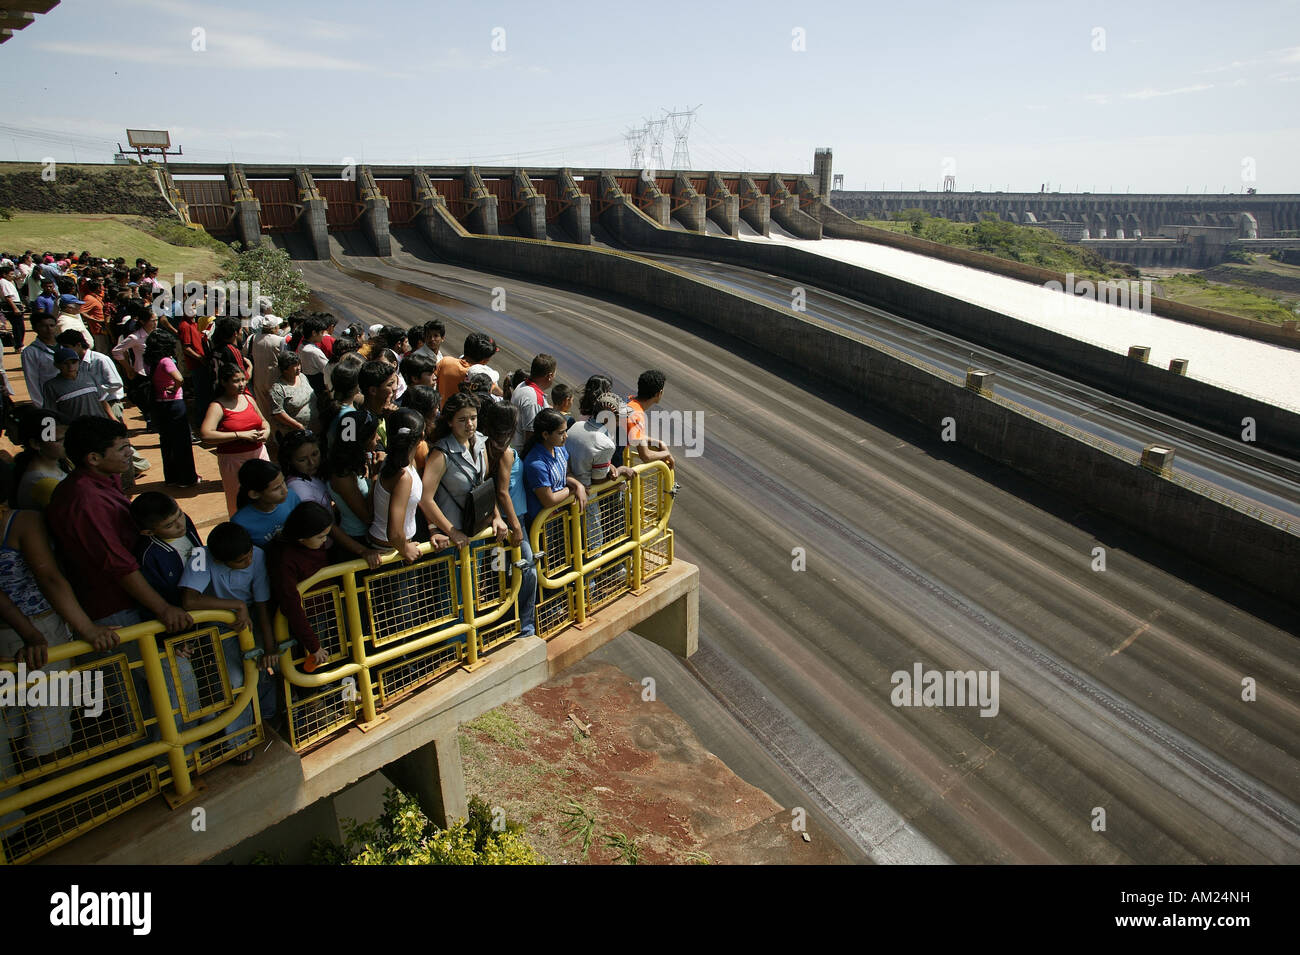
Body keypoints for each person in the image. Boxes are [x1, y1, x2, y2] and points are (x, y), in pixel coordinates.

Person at [0, 485, 120, 781]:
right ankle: (63, 797)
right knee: (47, 718)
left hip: (11, 634)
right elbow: (50, 578)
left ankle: (28, 799)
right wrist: (86, 629)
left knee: (14, 719)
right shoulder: (22, 522)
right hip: (37, 629)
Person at [46, 416, 193, 632]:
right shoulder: (85, 501)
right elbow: (118, 564)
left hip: (136, 600)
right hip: (118, 611)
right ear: (94, 458)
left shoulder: (105, 478)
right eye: (123, 448)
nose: (130, 452)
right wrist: (163, 608)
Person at [178, 521, 274, 762]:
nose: (248, 562)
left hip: (250, 619)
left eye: (249, 555)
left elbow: (261, 603)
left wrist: (269, 645)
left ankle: (266, 719)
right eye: (241, 561)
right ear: (220, 560)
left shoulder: (258, 555)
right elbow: (190, 600)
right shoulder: (201, 556)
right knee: (235, 680)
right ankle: (238, 742)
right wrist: (234, 606)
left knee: (263, 669)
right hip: (219, 623)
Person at [478, 401, 537, 636]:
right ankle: (525, 624)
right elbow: (502, 491)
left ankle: (501, 621)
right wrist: (515, 525)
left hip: (499, 522)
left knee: (499, 571)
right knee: (527, 569)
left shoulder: (487, 446)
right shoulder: (506, 453)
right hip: (512, 521)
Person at [419, 394, 504, 552]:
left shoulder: (479, 441)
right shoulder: (441, 453)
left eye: (473, 418)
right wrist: (452, 532)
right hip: (452, 539)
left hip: (478, 529)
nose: (470, 424)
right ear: (450, 422)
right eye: (462, 420)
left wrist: (497, 517)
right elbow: (425, 499)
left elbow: (484, 485)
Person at [266, 502, 336, 669]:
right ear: (301, 537)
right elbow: (291, 604)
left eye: (326, 534)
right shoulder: (284, 559)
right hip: (306, 619)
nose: (325, 540)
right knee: (311, 664)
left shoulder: (313, 544)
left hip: (326, 609)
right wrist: (313, 645)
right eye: (320, 536)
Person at [200, 363, 270, 515]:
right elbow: (206, 434)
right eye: (236, 381)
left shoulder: (248, 398)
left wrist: (267, 431)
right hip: (234, 461)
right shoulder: (217, 406)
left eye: (243, 380)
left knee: (267, 494)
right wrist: (240, 435)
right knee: (238, 500)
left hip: (259, 454)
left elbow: (263, 421)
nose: (242, 384)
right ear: (224, 382)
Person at [369, 408, 430, 563]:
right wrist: (405, 549)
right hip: (391, 553)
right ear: (421, 436)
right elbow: (395, 533)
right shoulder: (403, 477)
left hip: (395, 547)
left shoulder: (396, 461)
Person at [144, 329, 199, 487]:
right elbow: (179, 378)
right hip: (174, 403)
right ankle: (188, 478)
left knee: (166, 442)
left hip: (159, 404)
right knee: (182, 442)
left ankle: (171, 477)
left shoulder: (149, 361)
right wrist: (175, 388)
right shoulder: (166, 360)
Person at [522, 408, 587, 531]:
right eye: (560, 433)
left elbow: (566, 474)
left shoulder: (559, 449)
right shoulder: (536, 464)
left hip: (559, 519)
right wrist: (571, 491)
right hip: (542, 526)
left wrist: (579, 486)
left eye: (565, 431)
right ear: (545, 435)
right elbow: (549, 500)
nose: (565, 436)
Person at [328, 410, 380, 548]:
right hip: (357, 539)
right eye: (375, 435)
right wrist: (376, 476)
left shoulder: (356, 462)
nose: (379, 438)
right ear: (363, 439)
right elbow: (368, 517)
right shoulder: (342, 476)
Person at [8, 406, 70, 509]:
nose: (67, 443)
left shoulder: (61, 462)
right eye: (59, 440)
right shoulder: (42, 483)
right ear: (36, 444)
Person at [232, 459, 300, 548]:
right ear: (255, 494)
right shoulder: (241, 522)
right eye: (276, 488)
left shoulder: (291, 497)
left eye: (283, 482)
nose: (285, 490)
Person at [41, 346, 114, 420]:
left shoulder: (89, 376)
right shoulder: (51, 386)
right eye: (65, 363)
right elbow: (50, 413)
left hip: (100, 424)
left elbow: (102, 401)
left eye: (74, 362)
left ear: (79, 362)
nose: (71, 367)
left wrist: (114, 419)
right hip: (76, 429)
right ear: (57, 365)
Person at [626, 369, 675, 469]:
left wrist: (658, 443)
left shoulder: (628, 402)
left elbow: (635, 436)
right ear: (659, 393)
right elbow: (646, 456)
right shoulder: (636, 415)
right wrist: (666, 453)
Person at [510, 354, 556, 452]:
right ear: (550, 376)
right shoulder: (533, 399)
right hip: (521, 454)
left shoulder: (522, 385)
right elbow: (531, 436)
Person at [247, 311, 286, 424]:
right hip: (275, 378)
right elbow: (285, 357)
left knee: (262, 407)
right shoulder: (280, 341)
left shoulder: (252, 338)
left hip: (257, 377)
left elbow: (244, 354)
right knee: (276, 406)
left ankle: (264, 427)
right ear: (274, 328)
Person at [268, 351, 317, 437]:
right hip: (297, 432)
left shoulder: (302, 377)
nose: (298, 368)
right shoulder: (278, 389)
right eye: (294, 366)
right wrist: (297, 425)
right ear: (285, 369)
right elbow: (277, 413)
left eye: (299, 364)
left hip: (315, 427)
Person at [20, 312, 59, 409]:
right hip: (50, 398)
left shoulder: (66, 345)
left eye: (51, 325)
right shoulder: (30, 352)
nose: (49, 329)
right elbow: (31, 379)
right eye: (43, 326)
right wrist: (41, 405)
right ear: (35, 328)